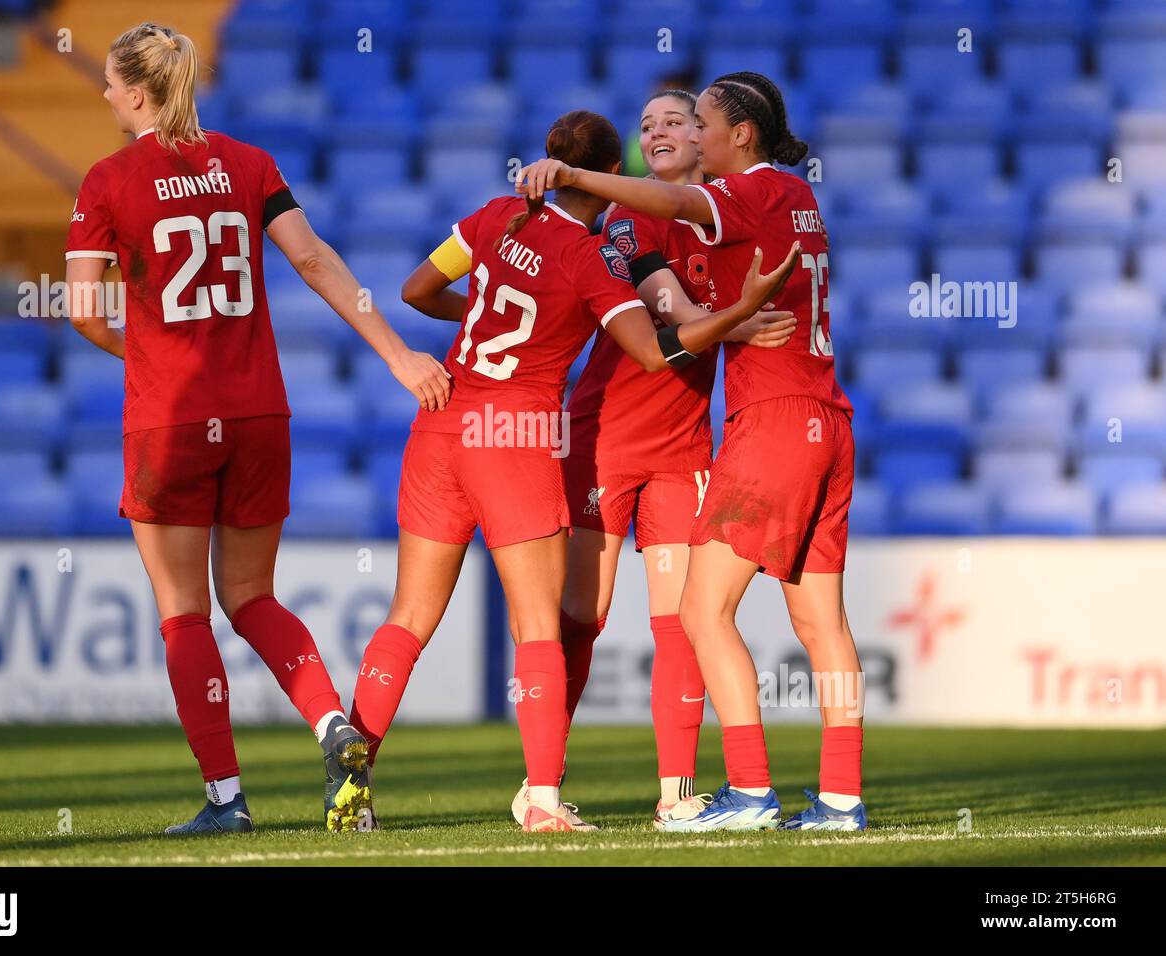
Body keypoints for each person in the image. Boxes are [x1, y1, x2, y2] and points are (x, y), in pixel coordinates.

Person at [349, 110, 799, 832]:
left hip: (490, 426)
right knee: (558, 624)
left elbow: (415, 290)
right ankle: (542, 795)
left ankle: (357, 772)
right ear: (613, 172)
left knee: (419, 615)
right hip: (562, 437)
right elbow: (661, 332)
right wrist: (741, 312)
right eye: (645, 125)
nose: (658, 131)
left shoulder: (504, 213)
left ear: (708, 141)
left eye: (678, 121)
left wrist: (485, 319)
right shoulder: (613, 236)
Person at [63, 22, 451, 835]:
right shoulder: (248, 162)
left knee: (183, 611)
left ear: (136, 93)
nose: (102, 96)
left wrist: (147, 351)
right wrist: (396, 354)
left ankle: (225, 799)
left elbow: (82, 310)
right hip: (257, 413)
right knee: (253, 597)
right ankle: (333, 725)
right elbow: (313, 260)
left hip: (170, 417)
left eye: (107, 83)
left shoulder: (105, 180)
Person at [516, 72, 866, 832]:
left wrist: (574, 174)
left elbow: (678, 202)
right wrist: (733, 319)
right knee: (823, 625)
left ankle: (748, 792)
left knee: (703, 614)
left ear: (740, 135)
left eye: (699, 122)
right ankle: (841, 797)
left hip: (770, 421)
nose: (691, 136)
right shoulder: (799, 198)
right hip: (829, 418)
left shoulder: (749, 193)